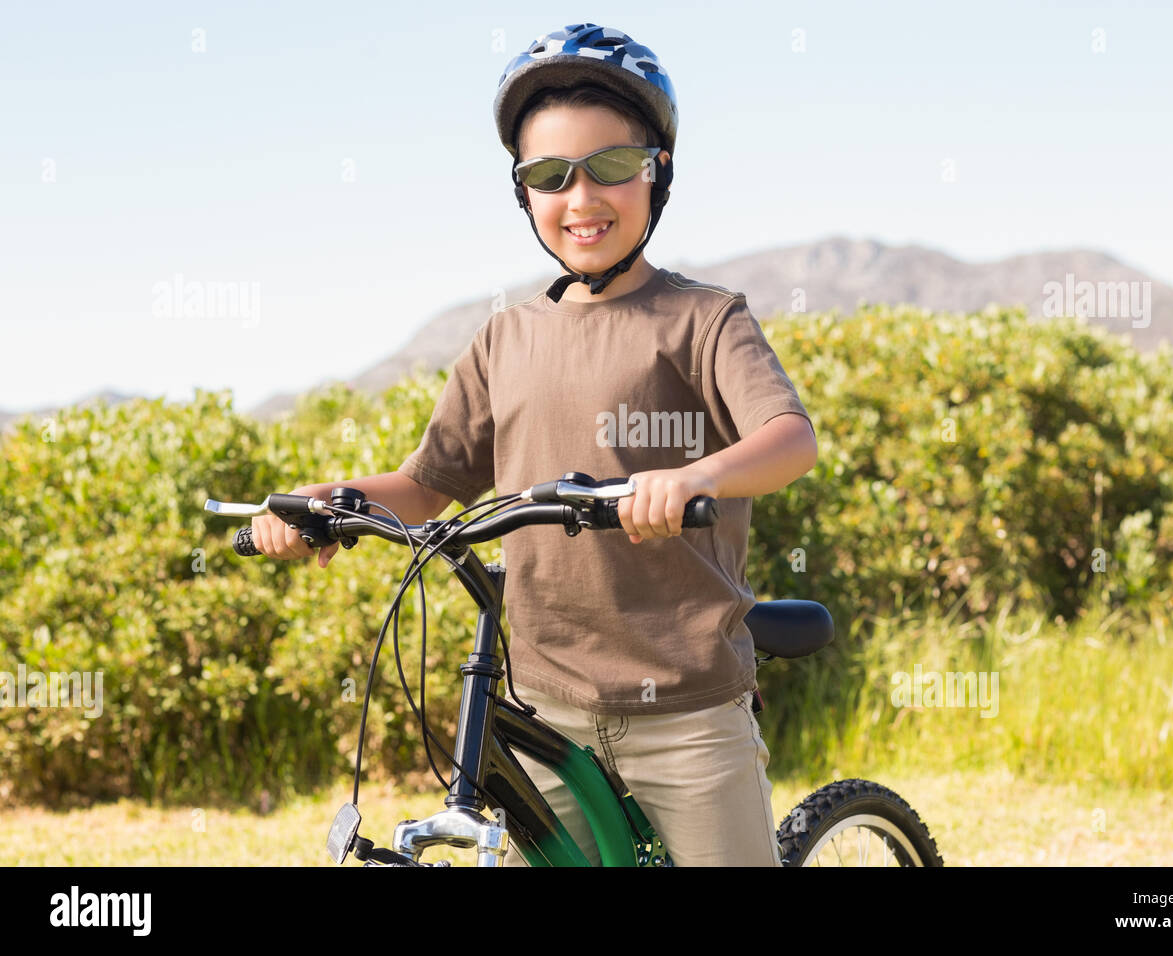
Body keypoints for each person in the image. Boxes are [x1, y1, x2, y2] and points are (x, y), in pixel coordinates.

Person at [252, 23, 818, 866]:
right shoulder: (505, 338)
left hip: (689, 713)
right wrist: (330, 503)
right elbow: (426, 482)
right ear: (524, 194)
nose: (581, 197)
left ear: (655, 171)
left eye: (612, 167)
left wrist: (691, 476)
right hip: (547, 708)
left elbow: (787, 439)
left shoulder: (703, 319)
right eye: (550, 176)